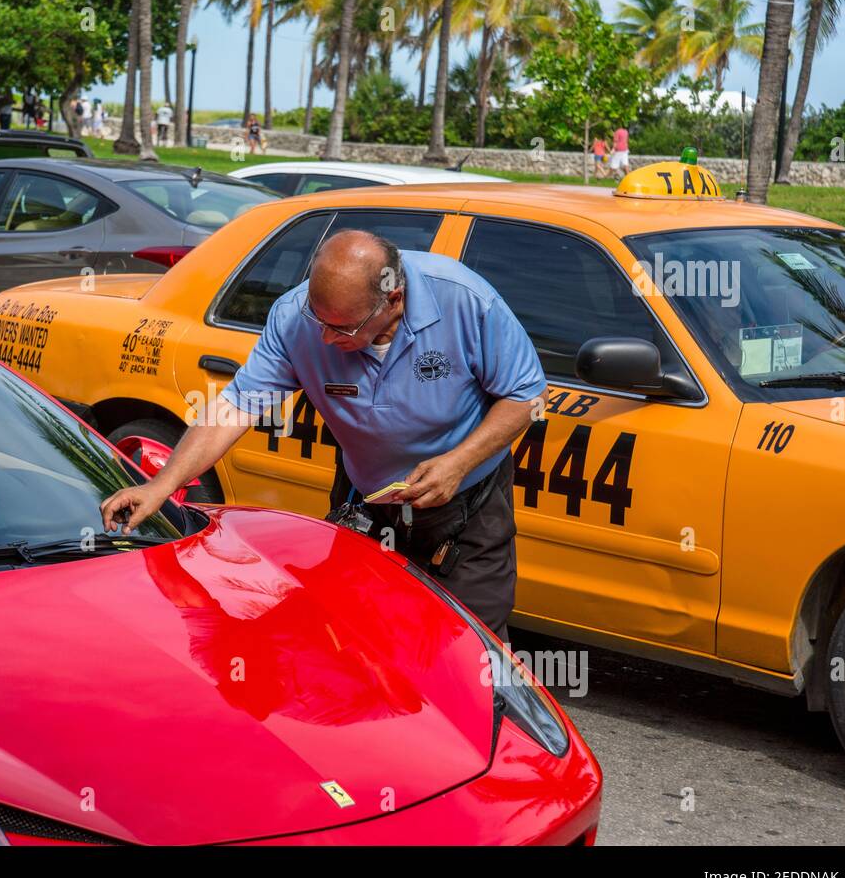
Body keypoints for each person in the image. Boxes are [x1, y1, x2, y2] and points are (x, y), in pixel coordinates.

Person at [101, 230, 546, 641]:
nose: (327, 339)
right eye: (320, 321)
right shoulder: (296, 317)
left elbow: (527, 395)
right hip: (368, 499)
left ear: (393, 300)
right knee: (357, 634)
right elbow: (236, 406)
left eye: (343, 328)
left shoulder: (465, 300)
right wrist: (162, 485)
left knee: (469, 643)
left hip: (466, 501)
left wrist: (460, 462)